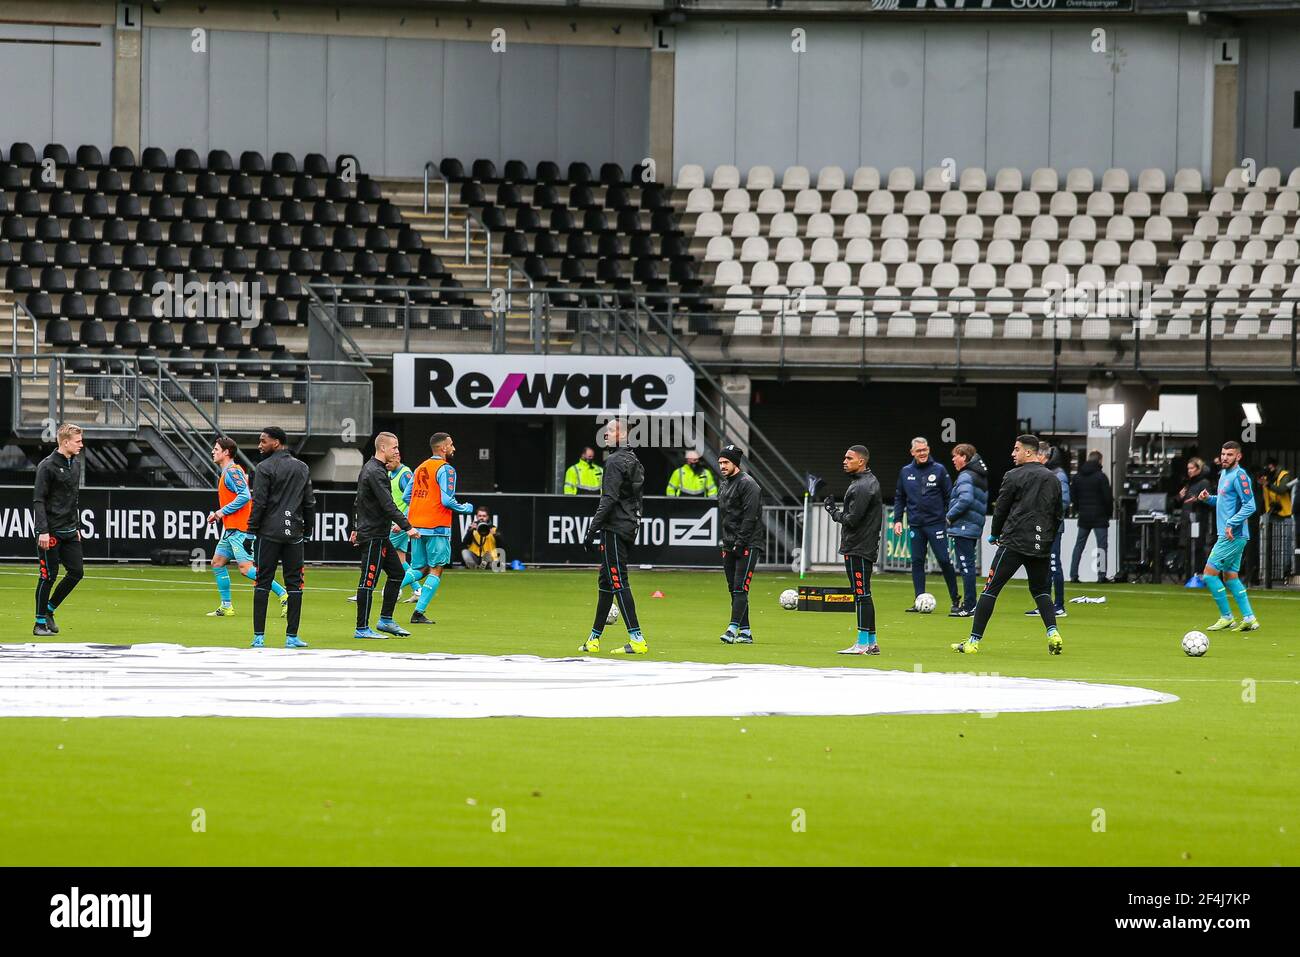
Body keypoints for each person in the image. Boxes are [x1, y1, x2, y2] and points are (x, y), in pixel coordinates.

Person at [953, 434, 1064, 656]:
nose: (1013, 454)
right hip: (1040, 543)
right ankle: (1053, 633)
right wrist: (1047, 539)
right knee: (1041, 591)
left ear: (1029, 452)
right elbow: (1058, 513)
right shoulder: (1052, 478)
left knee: (990, 590)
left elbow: (1001, 509)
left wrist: (995, 534)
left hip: (1014, 541)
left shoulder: (1013, 476)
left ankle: (973, 642)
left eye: (1016, 449)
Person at [579, 419, 648, 655]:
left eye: (609, 430)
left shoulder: (615, 461)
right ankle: (593, 639)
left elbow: (608, 499)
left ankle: (637, 638)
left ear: (622, 434)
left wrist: (591, 530)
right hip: (627, 526)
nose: (605, 434)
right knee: (606, 583)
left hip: (614, 528)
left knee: (619, 582)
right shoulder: (633, 459)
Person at [204, 437, 288, 618]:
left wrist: (219, 513)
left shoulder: (232, 472)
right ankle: (226, 606)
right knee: (217, 563)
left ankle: (283, 594)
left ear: (226, 452)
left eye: (216, 449)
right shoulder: (229, 472)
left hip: (240, 529)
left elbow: (244, 496)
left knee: (245, 569)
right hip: (231, 529)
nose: (213, 452)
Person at [247, 426, 314, 649]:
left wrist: (251, 530)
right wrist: (309, 529)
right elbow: (309, 502)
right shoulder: (302, 467)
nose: (259, 445)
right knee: (295, 584)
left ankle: (259, 637)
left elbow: (259, 502)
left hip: (269, 534)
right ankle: (292, 636)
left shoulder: (263, 468)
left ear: (276, 442)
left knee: (262, 582)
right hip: (293, 533)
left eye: (263, 441)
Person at [350, 431, 420, 639]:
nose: (397, 451)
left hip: (378, 534)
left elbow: (358, 501)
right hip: (373, 535)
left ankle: (386, 620)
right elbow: (388, 505)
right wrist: (408, 527)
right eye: (394, 447)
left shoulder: (374, 469)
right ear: (382, 448)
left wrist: (355, 527)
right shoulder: (376, 472)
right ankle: (362, 628)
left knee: (397, 574)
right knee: (368, 581)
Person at [400, 433, 474, 625]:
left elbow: (407, 496)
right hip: (436, 527)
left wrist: (423, 506)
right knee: (436, 569)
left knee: (420, 568)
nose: (453, 448)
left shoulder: (420, 467)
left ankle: (391, 588)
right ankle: (418, 613)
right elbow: (447, 500)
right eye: (451, 445)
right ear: (443, 448)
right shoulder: (446, 469)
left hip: (417, 525)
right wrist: (465, 508)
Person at [825, 445, 885, 655]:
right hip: (863, 544)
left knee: (861, 594)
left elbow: (852, 519)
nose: (844, 461)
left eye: (849, 458)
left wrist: (833, 512)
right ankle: (872, 642)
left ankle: (861, 643)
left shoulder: (861, 486)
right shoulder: (868, 482)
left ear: (861, 461)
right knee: (864, 594)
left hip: (858, 546)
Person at [892, 436, 960, 613]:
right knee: (917, 562)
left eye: (925, 450)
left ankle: (955, 600)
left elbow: (950, 496)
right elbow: (900, 497)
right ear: (912, 452)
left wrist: (949, 517)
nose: (922, 453)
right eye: (918, 451)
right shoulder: (905, 471)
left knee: (944, 560)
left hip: (936, 524)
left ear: (928, 450)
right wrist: (897, 520)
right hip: (916, 525)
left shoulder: (939, 470)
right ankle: (918, 599)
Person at [1198, 441, 1260, 632]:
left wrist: (1232, 523)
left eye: (1230, 454)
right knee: (1231, 577)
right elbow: (1225, 501)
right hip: (1230, 534)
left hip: (1233, 535)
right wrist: (1209, 499)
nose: (1225, 457)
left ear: (1238, 456)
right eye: (1223, 454)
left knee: (1208, 576)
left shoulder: (1241, 476)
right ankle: (1249, 618)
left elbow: (1250, 505)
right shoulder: (1225, 473)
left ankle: (1227, 617)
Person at [33, 423, 85, 637]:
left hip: (70, 529)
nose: (81, 444)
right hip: (51, 531)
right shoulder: (46, 466)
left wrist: (77, 526)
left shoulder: (76, 464)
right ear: (65, 442)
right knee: (48, 576)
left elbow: (73, 498)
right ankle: (39, 624)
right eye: (78, 441)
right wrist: (43, 531)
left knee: (77, 572)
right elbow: (38, 500)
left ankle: (49, 610)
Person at [716, 444, 761, 644]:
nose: (722, 466)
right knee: (732, 587)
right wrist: (728, 542)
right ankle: (746, 631)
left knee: (740, 587)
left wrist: (740, 543)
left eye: (726, 462)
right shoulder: (725, 483)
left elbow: (750, 517)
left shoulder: (749, 484)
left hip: (748, 544)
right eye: (720, 463)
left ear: (735, 463)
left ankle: (732, 628)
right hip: (729, 543)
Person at [1026, 442, 1069, 618]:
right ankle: (1045, 604)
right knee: (1044, 567)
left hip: (1053, 527)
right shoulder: (1047, 474)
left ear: (1043, 456)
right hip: (1043, 526)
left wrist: (1046, 514)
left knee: (1053, 564)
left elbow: (1064, 501)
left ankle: (1059, 605)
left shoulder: (1058, 475)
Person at [945, 443, 988, 617]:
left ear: (964, 457)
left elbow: (965, 499)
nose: (954, 459)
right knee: (967, 566)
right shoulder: (978, 474)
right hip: (972, 525)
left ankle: (970, 606)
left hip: (964, 526)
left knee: (966, 567)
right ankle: (971, 604)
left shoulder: (965, 476)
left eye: (956, 456)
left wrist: (949, 516)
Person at [1069, 449, 1113, 582]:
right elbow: (1107, 498)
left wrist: (1079, 509)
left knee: (1079, 546)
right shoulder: (1101, 477)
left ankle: (1073, 574)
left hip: (1084, 516)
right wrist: (1108, 513)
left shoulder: (1077, 476)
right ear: (1099, 460)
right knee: (1102, 547)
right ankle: (1101, 575)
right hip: (1099, 516)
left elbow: (1073, 497)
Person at [1178, 457, 1214, 586]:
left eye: (1192, 468)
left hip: (1198, 521)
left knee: (1198, 548)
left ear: (1198, 469)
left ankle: (1200, 575)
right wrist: (1181, 497)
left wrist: (1197, 500)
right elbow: (1182, 502)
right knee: (1188, 549)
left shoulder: (1204, 483)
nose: (1189, 471)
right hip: (1187, 520)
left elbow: (1209, 501)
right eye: (1188, 468)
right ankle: (1189, 575)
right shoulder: (1189, 483)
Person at [1260, 458, 1295, 579]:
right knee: (1270, 545)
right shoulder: (1265, 478)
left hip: (1286, 513)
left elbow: (1282, 489)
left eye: (1269, 467)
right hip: (1272, 514)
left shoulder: (1284, 475)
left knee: (1286, 545)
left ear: (1273, 466)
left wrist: (1268, 484)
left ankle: (1286, 571)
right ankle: (1271, 573)